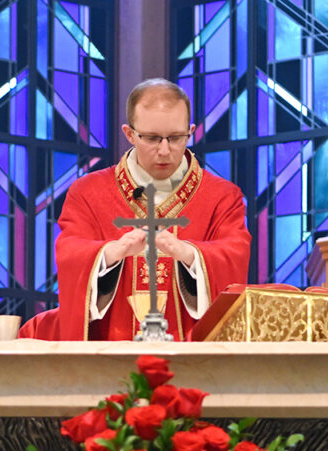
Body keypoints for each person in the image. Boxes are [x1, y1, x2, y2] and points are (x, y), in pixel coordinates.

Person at [50, 78, 250, 340]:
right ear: (129, 134)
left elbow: (235, 256)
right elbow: (70, 253)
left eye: (177, 138)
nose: (165, 150)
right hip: (111, 354)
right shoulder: (87, 192)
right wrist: (110, 254)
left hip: (194, 357)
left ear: (190, 131)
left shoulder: (223, 197)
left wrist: (190, 255)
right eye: (153, 138)